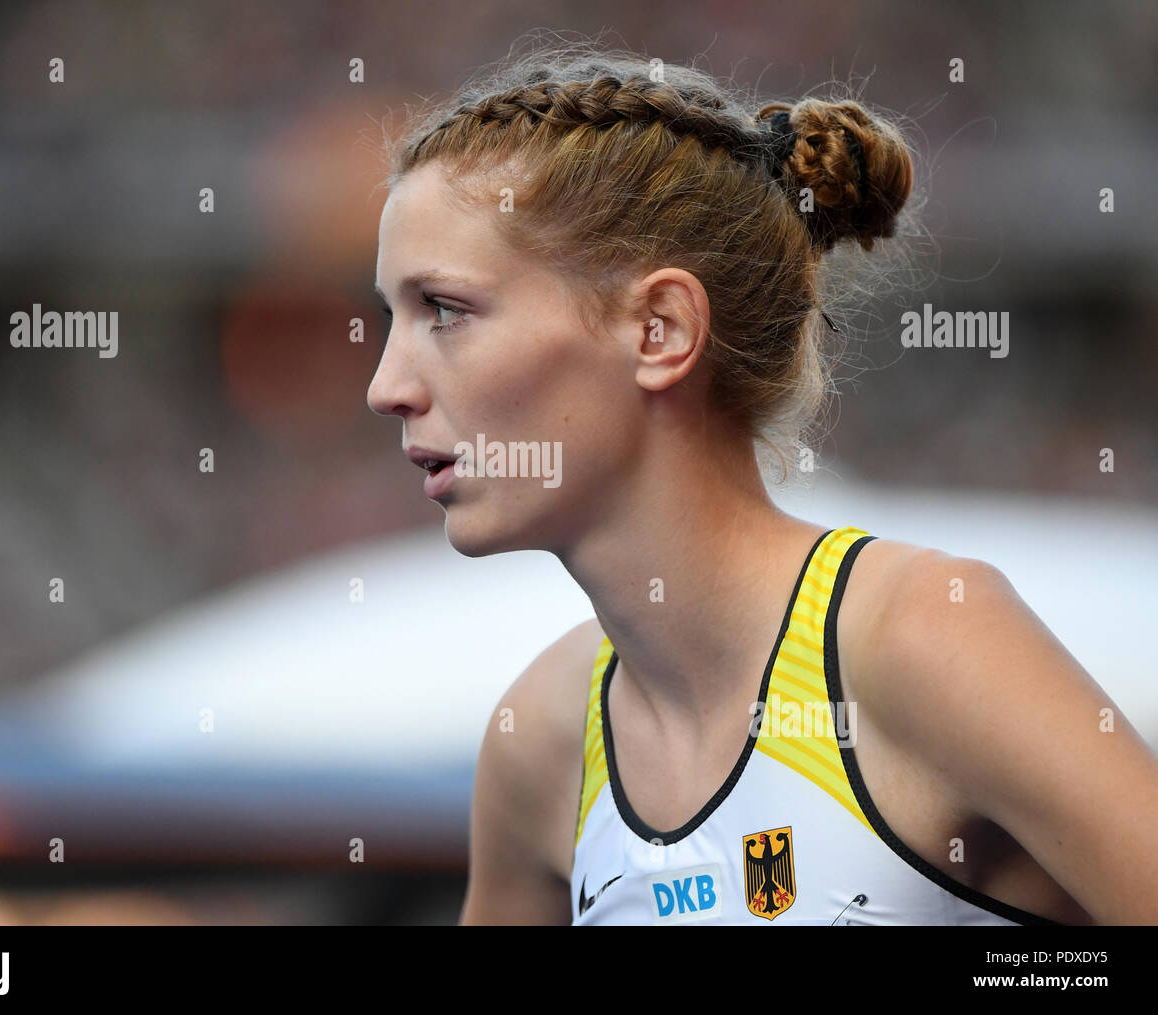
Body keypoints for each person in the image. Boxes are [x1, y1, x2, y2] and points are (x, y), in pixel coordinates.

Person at [366, 40, 1158, 925]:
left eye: (446, 310)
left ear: (660, 329)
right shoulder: (542, 738)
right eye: (390, 316)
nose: (385, 385)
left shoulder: (925, 634)